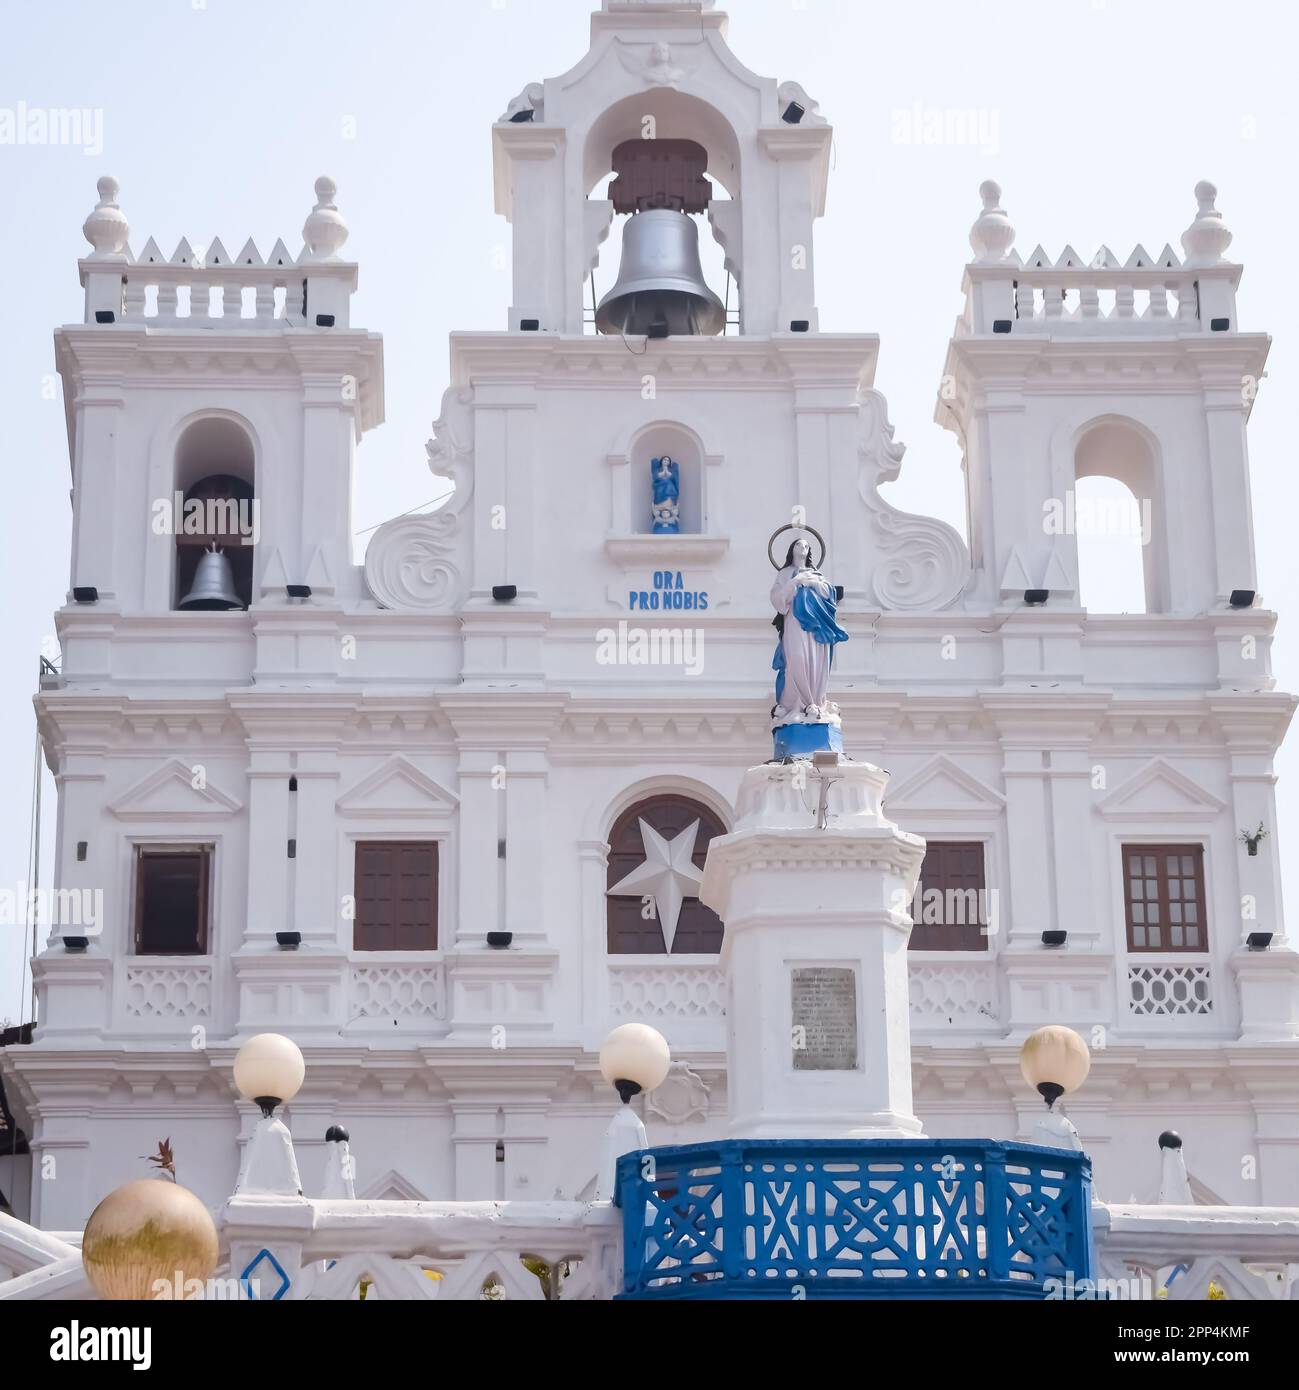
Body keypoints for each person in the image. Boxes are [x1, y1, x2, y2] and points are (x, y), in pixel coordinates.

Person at [770, 537, 848, 722]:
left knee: (815, 660)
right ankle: (799, 701)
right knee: (797, 657)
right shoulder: (785, 573)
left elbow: (829, 593)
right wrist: (795, 581)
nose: (802, 547)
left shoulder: (816, 574)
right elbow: (777, 598)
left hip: (815, 627)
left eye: (806, 545)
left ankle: (813, 702)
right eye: (798, 544)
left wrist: (812, 583)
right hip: (795, 622)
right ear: (792, 549)